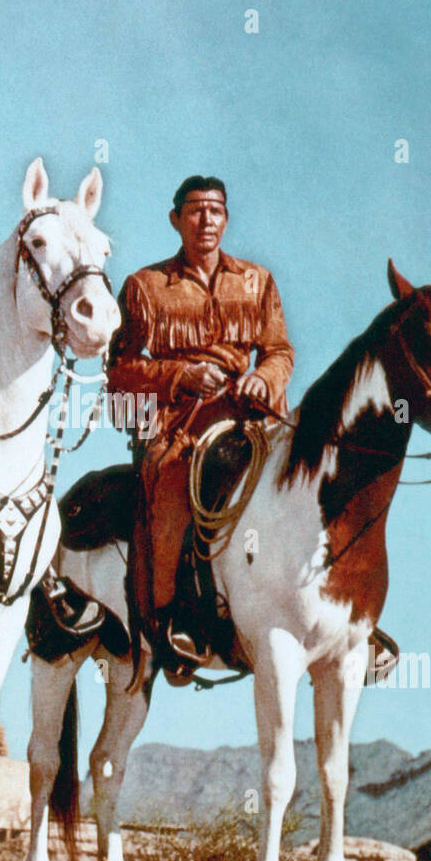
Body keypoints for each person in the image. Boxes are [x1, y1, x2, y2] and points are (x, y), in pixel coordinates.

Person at [106, 175, 294, 675]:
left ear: (226, 219)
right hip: (181, 423)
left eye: (215, 211)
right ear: (175, 219)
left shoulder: (257, 281)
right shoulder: (145, 287)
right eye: (194, 211)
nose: (205, 220)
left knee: (313, 470)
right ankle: (170, 620)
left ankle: (337, 608)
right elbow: (118, 370)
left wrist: (264, 378)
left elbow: (279, 351)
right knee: (169, 484)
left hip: (251, 415)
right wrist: (178, 374)